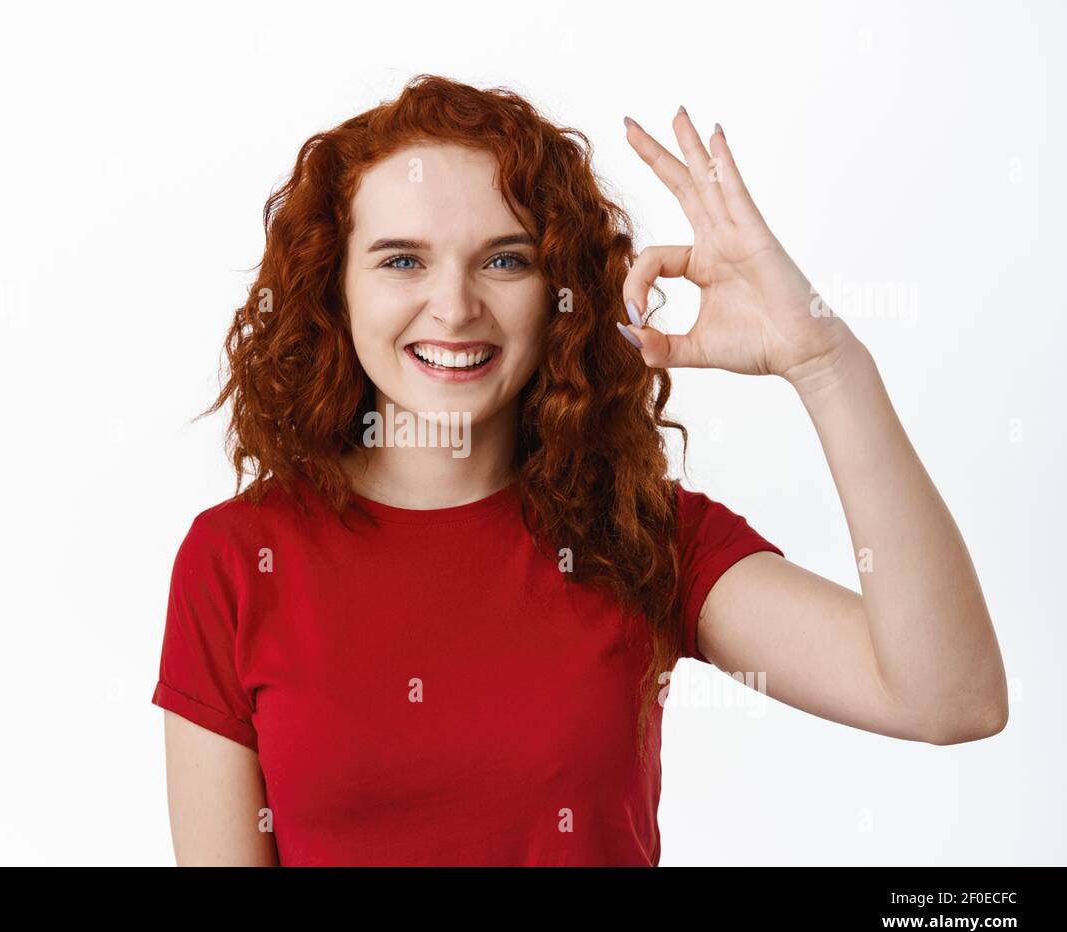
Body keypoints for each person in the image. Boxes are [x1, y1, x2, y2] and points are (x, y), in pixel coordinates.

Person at [150, 74, 1008, 866]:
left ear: (561, 291)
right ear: (334, 288)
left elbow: (948, 700)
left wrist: (824, 362)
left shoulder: (640, 532)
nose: (455, 306)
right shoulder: (237, 561)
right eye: (402, 259)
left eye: (505, 259)